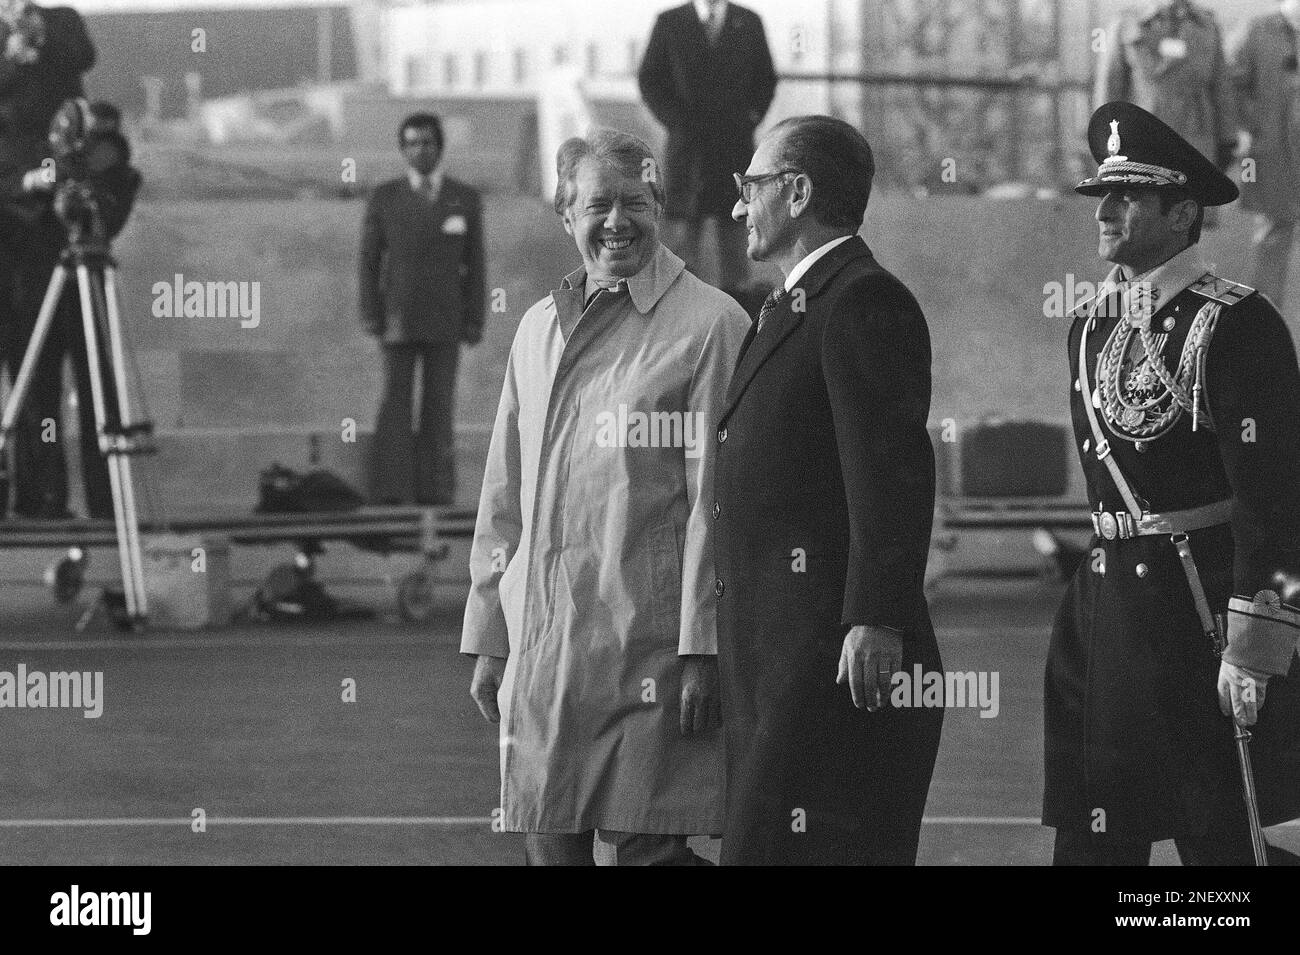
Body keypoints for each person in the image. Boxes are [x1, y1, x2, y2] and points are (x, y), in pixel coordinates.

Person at [460, 128, 749, 866]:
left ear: (662, 205)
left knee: (651, 850)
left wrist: (703, 648)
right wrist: (492, 633)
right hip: (544, 648)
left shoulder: (712, 324)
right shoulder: (535, 329)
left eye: (635, 202)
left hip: (645, 649)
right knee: (549, 841)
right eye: (597, 205)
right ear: (566, 215)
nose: (617, 222)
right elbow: (503, 492)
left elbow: (720, 503)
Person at [1045, 101, 1300, 865]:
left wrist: (1255, 643)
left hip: (1200, 620)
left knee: (1220, 843)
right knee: (1093, 839)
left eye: (1129, 196)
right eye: (1103, 195)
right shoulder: (1090, 323)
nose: (1108, 209)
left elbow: (1276, 497)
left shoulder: (1241, 322)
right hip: (1102, 614)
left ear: (1184, 209)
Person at [715, 115, 944, 865]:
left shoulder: (862, 302)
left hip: (833, 662)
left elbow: (892, 475)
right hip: (780, 657)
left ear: (799, 191)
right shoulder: (791, 304)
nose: (742, 206)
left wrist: (877, 617)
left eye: (753, 186)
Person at [358, 112, 484, 506]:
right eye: (411, 143)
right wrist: (371, 313)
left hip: (446, 322)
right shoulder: (385, 198)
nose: (420, 150)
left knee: (438, 406)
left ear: (439, 146)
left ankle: (435, 493)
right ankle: (391, 494)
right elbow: (369, 262)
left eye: (427, 142)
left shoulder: (463, 198)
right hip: (398, 321)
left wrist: (474, 317)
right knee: (395, 403)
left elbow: (475, 264)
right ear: (402, 150)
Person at [0, 1, 96, 518]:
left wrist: (38, 32)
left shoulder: (59, 20)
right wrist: (13, 59)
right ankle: (20, 494)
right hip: (11, 223)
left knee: (47, 380)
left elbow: (84, 54)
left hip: (54, 232)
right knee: (25, 374)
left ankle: (49, 499)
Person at [637, 0, 776, 295]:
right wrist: (676, 121)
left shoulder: (749, 22)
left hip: (733, 151)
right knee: (681, 251)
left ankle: (738, 321)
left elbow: (766, 79)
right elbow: (650, 78)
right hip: (688, 155)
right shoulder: (669, 22)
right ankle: (683, 323)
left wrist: (749, 118)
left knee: (738, 245)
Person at [1094, 0, 1237, 167]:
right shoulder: (1127, 24)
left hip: (1196, 142)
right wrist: (1105, 141)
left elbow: (1221, 88)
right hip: (1143, 143)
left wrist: (1227, 140)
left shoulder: (1207, 25)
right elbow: (1110, 87)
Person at [1229, 0, 1300, 312]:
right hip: (1274, 155)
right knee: (1272, 238)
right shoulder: (1257, 31)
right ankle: (1265, 329)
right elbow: (1229, 83)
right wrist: (1244, 127)